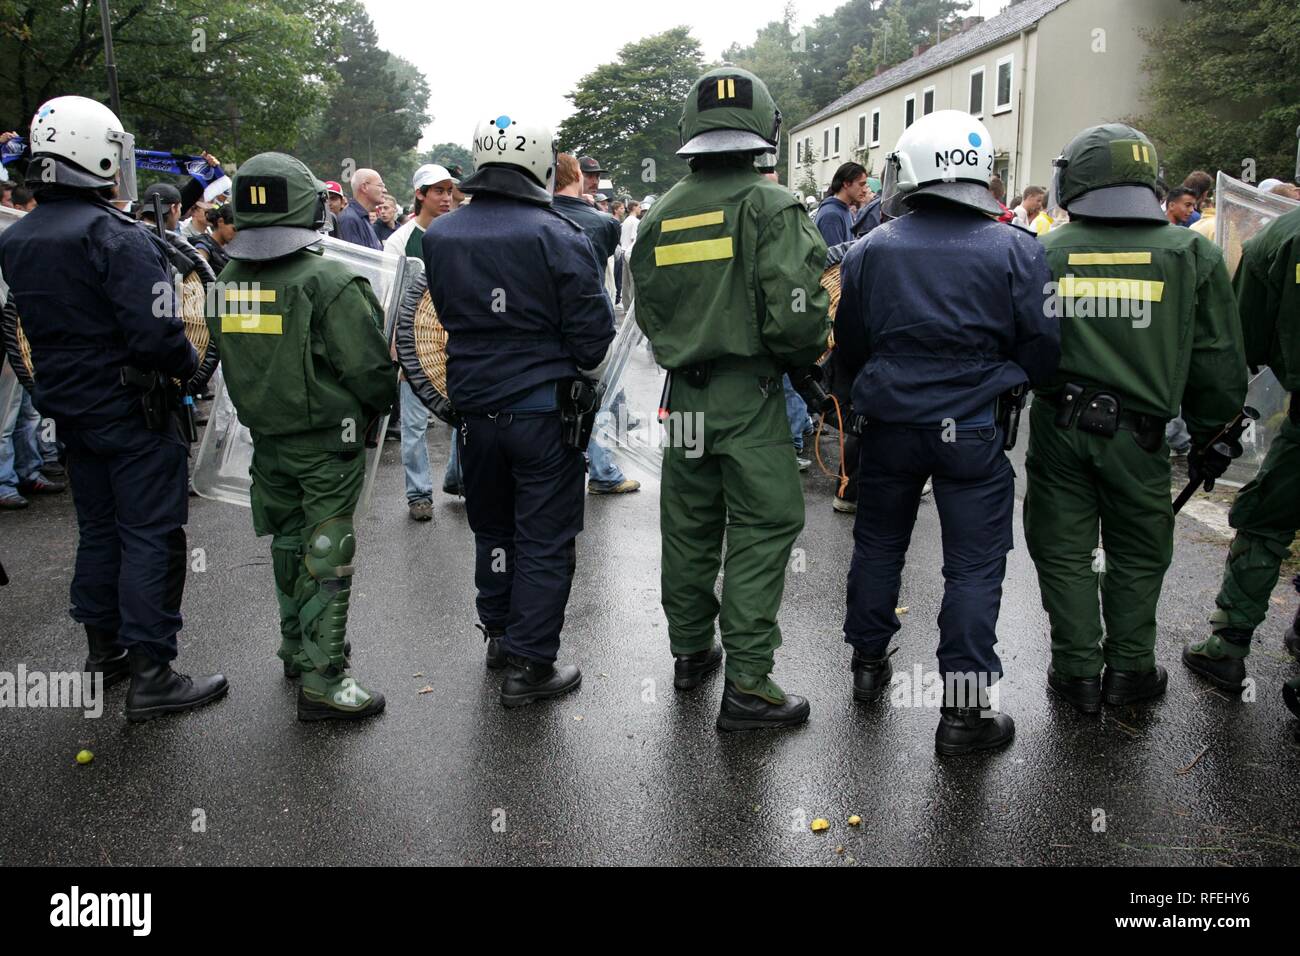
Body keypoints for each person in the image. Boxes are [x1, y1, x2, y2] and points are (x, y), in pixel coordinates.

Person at [836, 110, 1059, 754]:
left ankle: (867, 666)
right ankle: (963, 715)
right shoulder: (1018, 246)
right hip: (975, 428)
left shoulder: (871, 248)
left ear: (909, 169)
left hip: (890, 426)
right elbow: (1043, 344)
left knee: (879, 544)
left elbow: (848, 343)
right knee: (973, 566)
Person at [0, 95, 227, 718]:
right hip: (136, 411)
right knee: (151, 534)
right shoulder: (111, 234)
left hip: (72, 409)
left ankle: (105, 653)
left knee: (98, 532)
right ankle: (154, 672)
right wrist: (189, 370)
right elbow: (158, 333)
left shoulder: (21, 238)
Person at [631, 67, 830, 732]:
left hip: (682, 397)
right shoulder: (772, 208)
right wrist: (805, 362)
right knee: (764, 524)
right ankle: (747, 684)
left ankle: (691, 651)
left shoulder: (659, 214)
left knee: (689, 524)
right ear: (765, 133)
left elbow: (649, 312)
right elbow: (797, 317)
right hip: (747, 397)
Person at [1025, 124, 1246, 714]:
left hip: (1058, 429)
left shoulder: (1043, 250)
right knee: (1139, 553)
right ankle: (1130, 671)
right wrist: (1213, 434)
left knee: (1063, 551)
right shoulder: (1191, 253)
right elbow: (1217, 360)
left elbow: (1017, 343)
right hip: (1140, 436)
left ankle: (1074, 672)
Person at [423, 114, 614, 708]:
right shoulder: (557, 234)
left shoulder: (440, 235)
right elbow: (592, 337)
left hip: (474, 412)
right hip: (542, 413)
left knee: (494, 530)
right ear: (537, 164)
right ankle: (532, 666)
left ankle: (500, 633)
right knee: (546, 538)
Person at [209, 151, 395, 720]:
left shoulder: (228, 278)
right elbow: (367, 371)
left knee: (288, 541)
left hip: (267, 440)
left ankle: (297, 645)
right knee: (328, 551)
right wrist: (381, 401)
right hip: (325, 445)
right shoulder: (332, 280)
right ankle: (324, 678)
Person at [1183, 201, 1300, 706]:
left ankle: (1227, 644)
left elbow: (1240, 343)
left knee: (1265, 520)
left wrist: (1214, 430)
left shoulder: (1280, 239)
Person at [551, 152, 640, 496]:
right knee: (598, 395)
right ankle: (602, 470)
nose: (592, 179)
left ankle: (460, 474)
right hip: (588, 321)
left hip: (548, 327)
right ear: (575, 177)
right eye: (586, 175)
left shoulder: (537, 216)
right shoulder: (602, 222)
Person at [385, 164, 457, 520]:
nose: (446, 198)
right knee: (413, 426)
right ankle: (418, 495)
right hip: (415, 350)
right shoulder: (400, 241)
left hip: (456, 345)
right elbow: (388, 298)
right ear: (420, 195)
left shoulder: (460, 235)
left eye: (449, 190)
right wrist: (396, 350)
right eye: (438, 191)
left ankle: (458, 480)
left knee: (464, 418)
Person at [814, 162, 867, 246]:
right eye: (861, 184)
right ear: (846, 183)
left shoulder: (844, 209)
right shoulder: (831, 215)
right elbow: (834, 256)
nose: (865, 190)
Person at [337, 168, 385, 249]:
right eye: (380, 185)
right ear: (364, 187)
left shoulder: (362, 218)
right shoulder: (349, 219)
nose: (384, 190)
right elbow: (355, 258)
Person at [192, 202, 235, 273]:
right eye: (234, 229)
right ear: (220, 222)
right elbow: (196, 274)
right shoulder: (203, 248)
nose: (236, 234)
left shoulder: (229, 248)